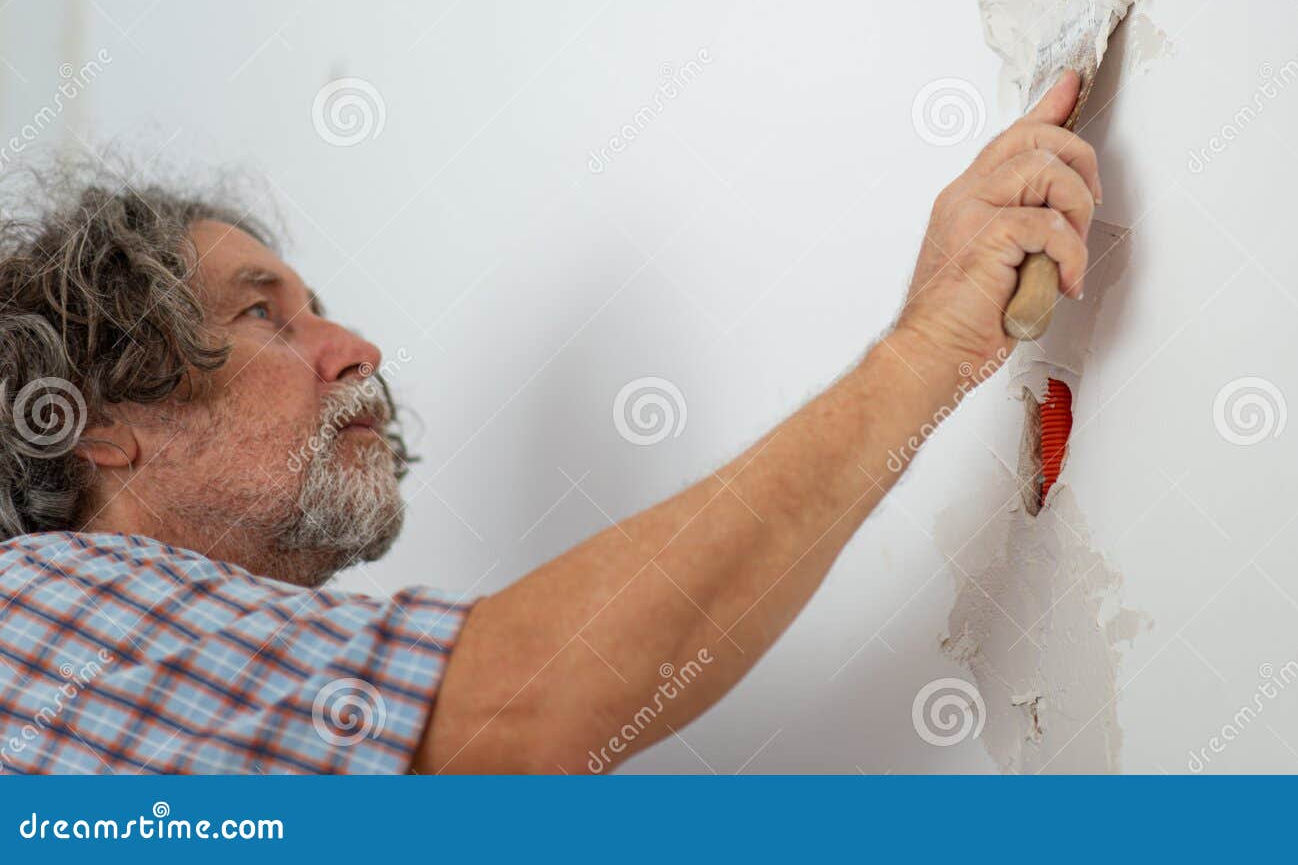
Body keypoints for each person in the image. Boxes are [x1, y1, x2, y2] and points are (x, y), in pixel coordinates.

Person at [0, 73, 1097, 774]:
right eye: (262, 312)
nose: (354, 349)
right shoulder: (28, 617)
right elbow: (524, 710)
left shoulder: (220, 737)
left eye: (320, 309)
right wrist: (927, 351)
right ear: (101, 423)